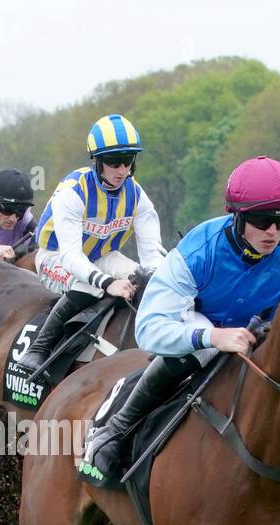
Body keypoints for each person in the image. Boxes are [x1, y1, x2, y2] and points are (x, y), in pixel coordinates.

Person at [80, 156, 280, 481]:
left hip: (258, 329)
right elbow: (149, 329)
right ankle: (116, 430)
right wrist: (214, 337)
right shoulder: (199, 251)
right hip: (197, 320)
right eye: (262, 220)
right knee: (205, 346)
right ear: (239, 217)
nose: (274, 232)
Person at [18, 114, 166, 380]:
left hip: (103, 256)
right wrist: (107, 283)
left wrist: (155, 276)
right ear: (96, 161)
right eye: (113, 162)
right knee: (88, 285)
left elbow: (152, 254)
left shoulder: (137, 195)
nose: (122, 170)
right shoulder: (73, 193)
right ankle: (39, 348)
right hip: (56, 258)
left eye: (128, 161)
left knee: (150, 280)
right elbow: (72, 257)